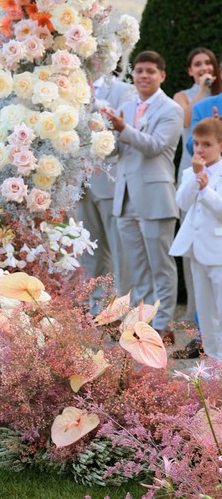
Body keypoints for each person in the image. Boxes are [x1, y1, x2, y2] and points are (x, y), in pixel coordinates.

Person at [105, 51, 184, 345]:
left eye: (150, 71)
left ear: (162, 75)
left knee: (160, 265)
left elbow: (155, 147)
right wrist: (104, 136)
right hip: (124, 196)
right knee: (136, 267)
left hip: (155, 197)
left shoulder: (171, 109)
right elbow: (115, 151)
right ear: (133, 74)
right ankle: (141, 321)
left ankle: (164, 324)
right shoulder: (125, 106)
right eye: (139, 71)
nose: (144, 76)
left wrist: (123, 129)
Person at [174, 48, 222, 349]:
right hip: (195, 247)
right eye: (198, 144)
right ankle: (214, 362)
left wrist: (206, 189)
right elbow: (181, 202)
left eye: (207, 144)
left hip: (217, 248)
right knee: (205, 311)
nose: (201, 149)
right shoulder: (192, 171)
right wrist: (196, 180)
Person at [77, 69, 132, 292]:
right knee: (89, 250)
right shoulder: (66, 88)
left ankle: (122, 307)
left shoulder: (123, 90)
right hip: (78, 182)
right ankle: (96, 308)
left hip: (109, 179)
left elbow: (122, 134)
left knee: (119, 250)